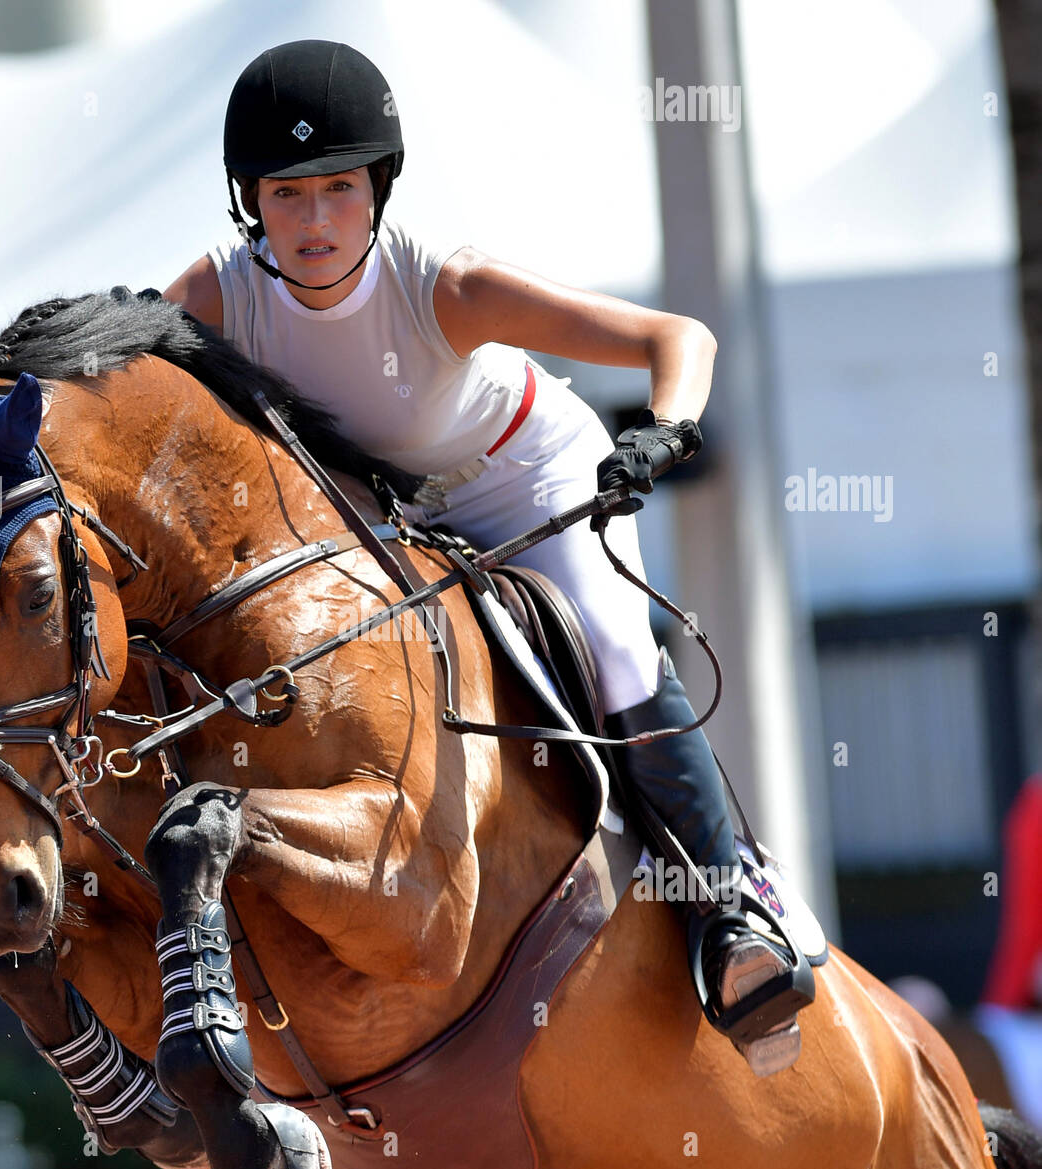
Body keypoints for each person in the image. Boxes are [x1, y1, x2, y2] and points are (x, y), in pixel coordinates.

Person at [163, 39, 811, 1075]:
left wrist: (666, 430)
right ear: (250, 201)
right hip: (392, 522)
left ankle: (729, 912)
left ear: (377, 189)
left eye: (339, 189)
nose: (317, 222)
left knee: (607, 642)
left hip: (528, 480)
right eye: (289, 195)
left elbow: (675, 336)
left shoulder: (443, 285)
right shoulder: (212, 297)